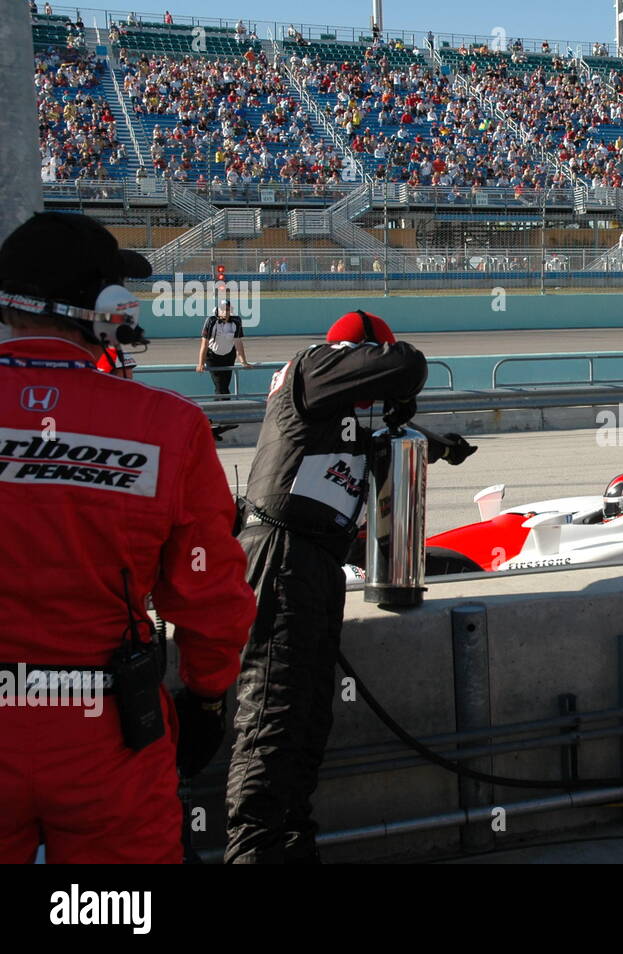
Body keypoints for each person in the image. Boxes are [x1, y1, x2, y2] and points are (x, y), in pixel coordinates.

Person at [0, 212, 255, 863]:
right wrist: (204, 700)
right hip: (106, 732)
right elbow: (213, 597)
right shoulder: (167, 425)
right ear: (104, 308)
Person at [225, 310, 476, 863]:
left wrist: (435, 441)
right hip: (281, 554)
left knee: (308, 720)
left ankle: (293, 847)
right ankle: (253, 853)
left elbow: (373, 434)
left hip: (311, 562)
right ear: (359, 356)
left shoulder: (333, 402)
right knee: (273, 717)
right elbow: (409, 363)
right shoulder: (313, 366)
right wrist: (397, 388)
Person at [198, 300, 251, 399]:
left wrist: (244, 362)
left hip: (228, 357)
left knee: (224, 386)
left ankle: (219, 409)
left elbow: (238, 343)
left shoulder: (236, 321)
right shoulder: (211, 321)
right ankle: (224, 409)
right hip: (213, 357)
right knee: (221, 387)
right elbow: (204, 344)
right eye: (222, 310)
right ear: (217, 311)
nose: (225, 312)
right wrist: (201, 363)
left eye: (227, 310)